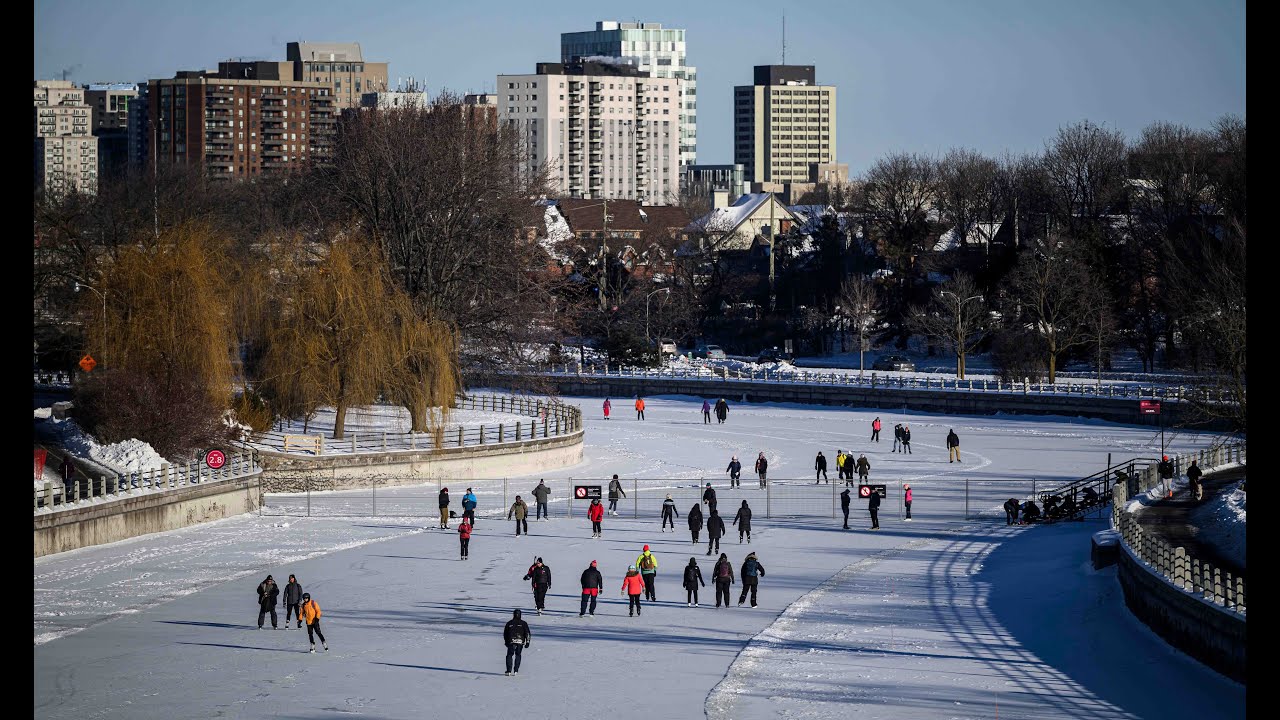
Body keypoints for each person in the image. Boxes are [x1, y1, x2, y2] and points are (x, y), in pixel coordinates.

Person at [503, 609, 531, 675]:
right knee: (518, 655)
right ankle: (516, 670)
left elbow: (505, 634)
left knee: (509, 655)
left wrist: (506, 642)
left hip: (511, 641)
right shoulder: (523, 623)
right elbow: (527, 633)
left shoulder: (509, 623)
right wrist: (527, 642)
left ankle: (509, 671)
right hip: (520, 641)